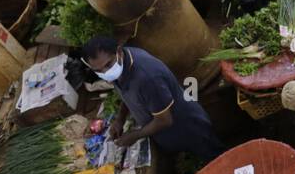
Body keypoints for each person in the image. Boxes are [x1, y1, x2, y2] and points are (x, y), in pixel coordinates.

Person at [81, 35, 225, 161]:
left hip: (187, 126)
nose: (106, 73)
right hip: (169, 133)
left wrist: (135, 135)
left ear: (118, 52)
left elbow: (165, 120)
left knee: (217, 158)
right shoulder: (119, 68)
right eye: (98, 70)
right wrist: (120, 119)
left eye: (108, 65)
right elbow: (126, 93)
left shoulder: (147, 77)